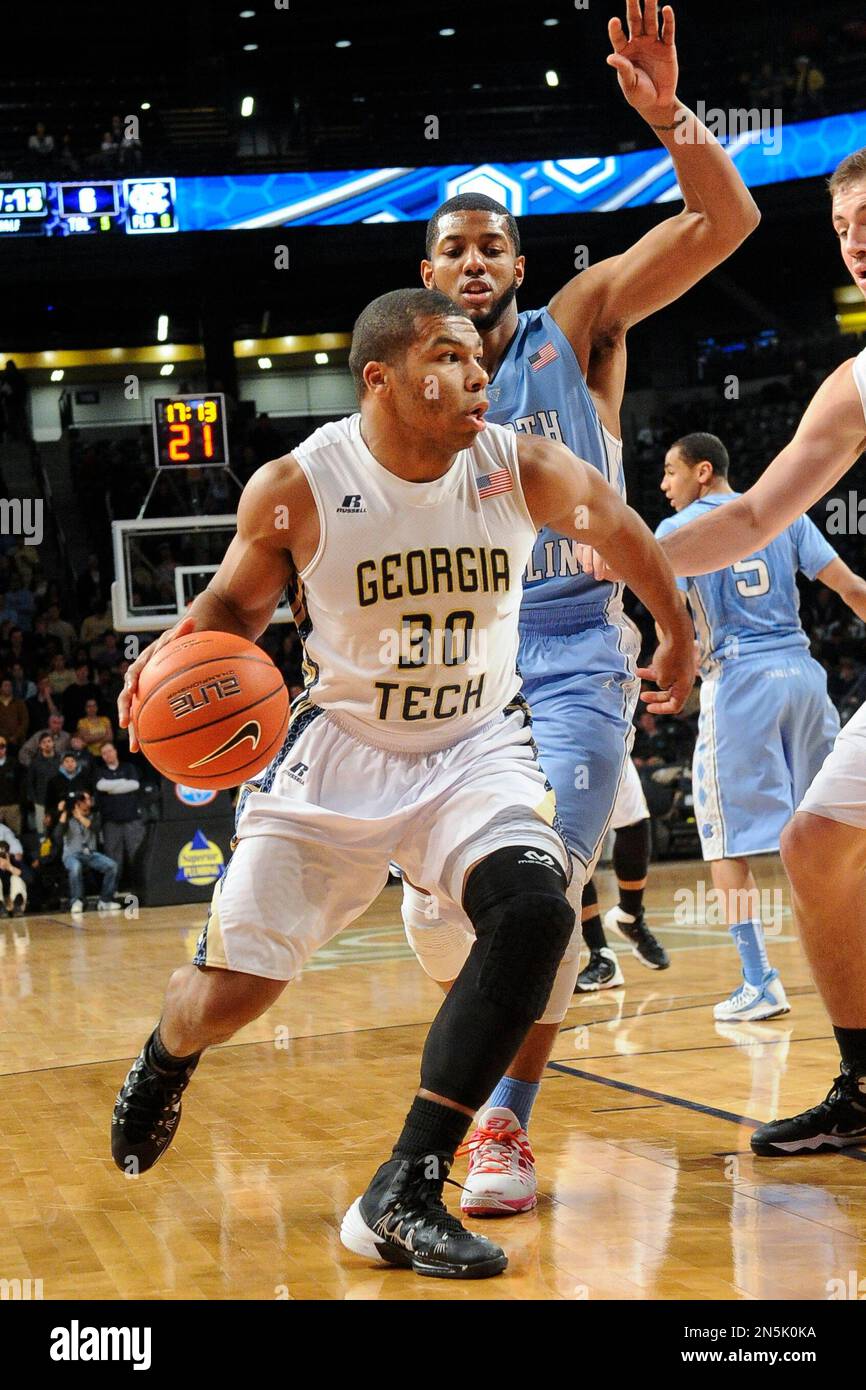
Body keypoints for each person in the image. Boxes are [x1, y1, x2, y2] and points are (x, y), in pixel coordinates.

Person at [112, 287, 694, 1280]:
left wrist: (675, 630)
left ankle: (407, 1181)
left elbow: (625, 531)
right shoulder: (298, 482)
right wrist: (175, 650)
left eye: (480, 361)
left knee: (535, 909)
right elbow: (232, 606)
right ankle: (166, 1054)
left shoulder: (525, 467)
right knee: (230, 993)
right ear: (379, 376)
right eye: (447, 357)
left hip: (474, 746)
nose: (476, 376)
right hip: (337, 756)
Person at [403, 0, 759, 1214]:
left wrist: (665, 115)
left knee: (542, 893)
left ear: (516, 260)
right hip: (455, 663)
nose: (474, 262)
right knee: (449, 920)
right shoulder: (405, 400)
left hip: (566, 655)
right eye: (452, 249)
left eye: (492, 245)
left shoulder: (578, 323)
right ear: (428, 275)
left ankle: (501, 1124)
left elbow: (727, 220)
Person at [649, 145, 866, 1152]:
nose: (854, 240)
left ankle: (753, 978)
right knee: (813, 843)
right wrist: (613, 556)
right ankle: (862, 1089)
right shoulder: (852, 384)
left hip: (750, 677)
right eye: (839, 226)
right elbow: (743, 527)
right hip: (787, 672)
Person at [655, 430, 866, 1021]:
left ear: (701, 472)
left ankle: (758, 980)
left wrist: (670, 668)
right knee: (844, 829)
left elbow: (676, 627)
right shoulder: (784, 514)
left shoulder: (675, 534)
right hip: (804, 676)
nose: (663, 485)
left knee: (725, 840)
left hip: (741, 681)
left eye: (670, 473)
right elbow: (850, 588)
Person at [576, 756, 666, 989]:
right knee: (571, 841)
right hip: (559, 737)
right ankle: (601, 954)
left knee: (634, 823)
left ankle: (629, 914)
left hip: (611, 732)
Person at [61, 791, 119, 917]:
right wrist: (64, 812)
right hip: (72, 854)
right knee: (76, 867)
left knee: (112, 866)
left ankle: (105, 900)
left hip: (90, 853)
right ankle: (76, 900)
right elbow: (58, 833)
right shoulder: (68, 817)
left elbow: (96, 828)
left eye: (88, 799)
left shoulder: (95, 815)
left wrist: (80, 817)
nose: (88, 802)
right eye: (84, 800)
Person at [95, 742, 143, 892]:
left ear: (115, 751)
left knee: (135, 855)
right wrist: (123, 783)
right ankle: (112, 892)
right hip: (111, 822)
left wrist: (112, 788)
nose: (108, 755)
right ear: (102, 757)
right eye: (104, 753)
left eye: (110, 751)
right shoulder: (100, 771)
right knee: (113, 858)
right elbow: (100, 786)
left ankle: (140, 889)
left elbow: (134, 785)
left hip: (131, 819)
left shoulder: (128, 767)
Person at [25, 733, 59, 833]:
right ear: (40, 745)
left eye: (49, 741)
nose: (47, 744)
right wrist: (35, 801)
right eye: (44, 742)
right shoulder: (35, 763)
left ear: (53, 743)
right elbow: (30, 783)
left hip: (59, 802)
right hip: (41, 802)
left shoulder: (61, 759)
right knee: (42, 832)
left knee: (60, 831)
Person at [0, 736, 23, 834]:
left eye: (2, 747)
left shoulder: (14, 764)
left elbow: (22, 783)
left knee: (15, 835)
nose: (0, 750)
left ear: (6, 748)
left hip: (12, 806)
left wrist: (19, 802)